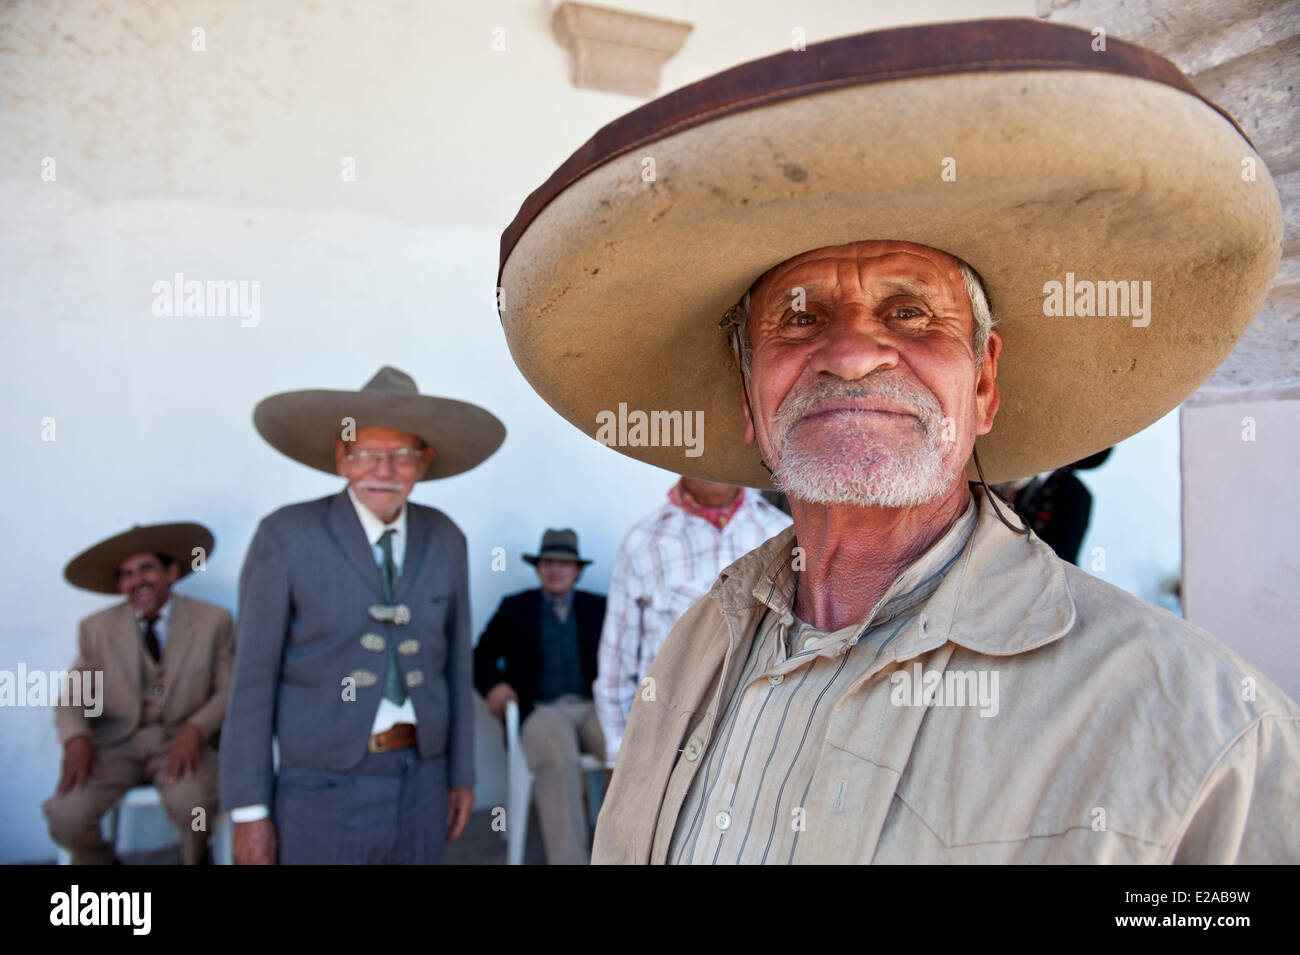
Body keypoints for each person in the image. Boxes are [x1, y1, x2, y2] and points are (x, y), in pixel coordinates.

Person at [495, 20, 1300, 862]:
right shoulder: (697, 649)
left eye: (911, 312)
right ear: (748, 396)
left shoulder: (1206, 732)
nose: (849, 354)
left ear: (983, 382)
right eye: (798, 317)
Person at [219, 366, 504, 864]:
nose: (384, 471)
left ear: (425, 461)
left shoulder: (446, 538)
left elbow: (456, 666)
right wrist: (249, 810)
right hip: (321, 784)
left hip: (422, 777)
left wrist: (460, 774)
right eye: (366, 454)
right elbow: (252, 680)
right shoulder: (286, 536)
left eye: (402, 456)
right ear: (341, 457)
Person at [44, 523, 233, 864]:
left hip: (181, 741)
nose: (137, 580)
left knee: (195, 808)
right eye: (126, 574)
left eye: (146, 568)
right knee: (66, 816)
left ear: (171, 572)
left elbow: (228, 688)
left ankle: (194, 860)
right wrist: (77, 740)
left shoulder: (213, 620)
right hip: (116, 746)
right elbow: (73, 697)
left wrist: (196, 729)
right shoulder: (96, 629)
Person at [593, 476, 789, 771]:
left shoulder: (782, 533)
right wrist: (619, 751)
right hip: (666, 736)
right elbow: (617, 657)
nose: (713, 470)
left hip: (758, 736)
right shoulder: (644, 542)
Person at [475, 529, 607, 864]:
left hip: (593, 705)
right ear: (538, 568)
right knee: (559, 760)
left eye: (565, 564)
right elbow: (482, 655)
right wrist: (495, 686)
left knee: (627, 751)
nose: (556, 570)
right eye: (548, 562)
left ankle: (630, 851)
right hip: (539, 708)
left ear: (577, 570)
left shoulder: (599, 606)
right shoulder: (515, 607)